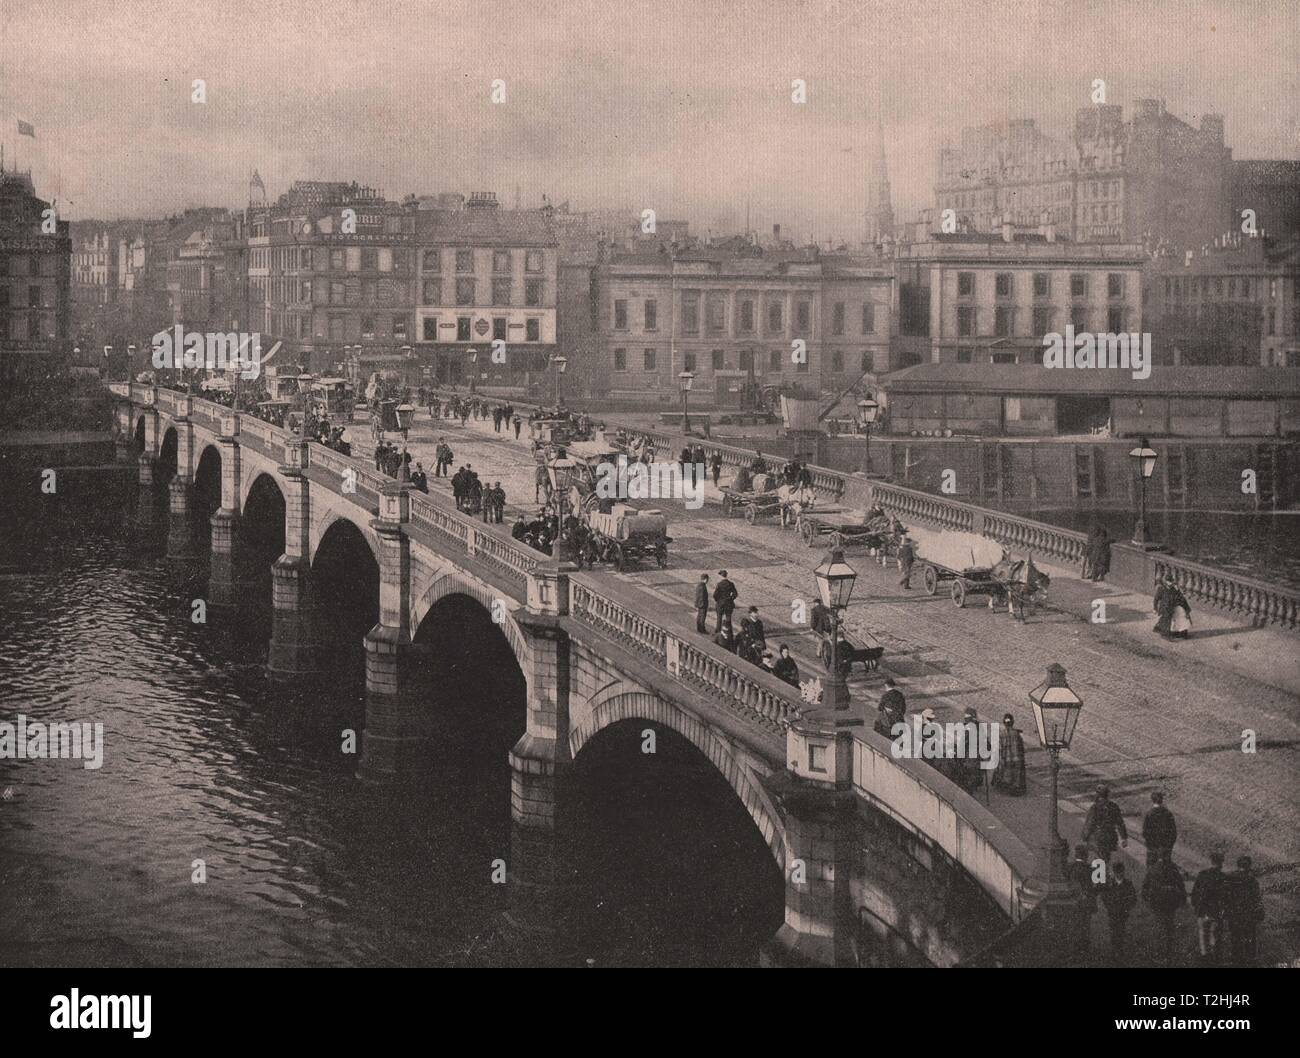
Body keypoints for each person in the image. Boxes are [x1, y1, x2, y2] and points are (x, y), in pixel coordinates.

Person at [1142, 850, 1188, 965]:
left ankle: (1160, 954)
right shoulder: (1173, 868)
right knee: (1169, 927)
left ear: (1158, 857)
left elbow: (1145, 887)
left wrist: (1148, 900)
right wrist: (1183, 899)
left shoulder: (1152, 868)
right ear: (1168, 856)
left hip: (1157, 903)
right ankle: (1168, 953)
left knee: (1159, 927)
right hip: (1170, 903)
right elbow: (1180, 884)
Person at [1222, 855, 1264, 966]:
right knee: (1250, 938)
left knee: (1235, 937)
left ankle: (1237, 960)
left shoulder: (1229, 878)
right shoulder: (1252, 880)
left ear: (1238, 865)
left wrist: (1225, 910)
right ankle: (1250, 961)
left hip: (1234, 913)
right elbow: (1257, 898)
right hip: (1248, 914)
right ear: (1249, 866)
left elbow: (1225, 896)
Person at [1191, 851, 1227, 966]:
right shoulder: (1224, 878)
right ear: (1221, 863)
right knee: (1215, 940)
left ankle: (1204, 961)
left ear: (1211, 861)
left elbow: (1194, 894)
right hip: (1216, 913)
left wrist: (1197, 908)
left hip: (1202, 912)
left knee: (1203, 938)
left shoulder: (1202, 875)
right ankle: (1215, 962)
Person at [1082, 784, 1128, 866]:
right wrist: (1124, 838)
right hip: (1110, 838)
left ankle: (1100, 876)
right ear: (1107, 795)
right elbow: (1120, 823)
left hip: (1097, 838)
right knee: (1106, 859)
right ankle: (1104, 874)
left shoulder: (1094, 807)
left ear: (1097, 795)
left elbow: (1089, 824)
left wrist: (1084, 837)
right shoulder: (1114, 806)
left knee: (1098, 859)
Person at [1101, 861, 1137, 959]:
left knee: (1121, 931)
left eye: (1121, 872)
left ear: (1123, 872)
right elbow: (1104, 897)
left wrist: (1127, 907)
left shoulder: (1128, 884)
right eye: (1117, 872)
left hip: (1123, 913)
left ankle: (1119, 949)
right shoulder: (1109, 884)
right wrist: (1109, 907)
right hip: (1112, 912)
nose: (1119, 874)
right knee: (1113, 931)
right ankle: (1114, 950)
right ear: (1114, 872)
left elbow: (1133, 898)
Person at [1068, 844, 1098, 954]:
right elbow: (1100, 882)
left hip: (1074, 902)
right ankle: (1083, 947)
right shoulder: (1089, 869)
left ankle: (1076, 947)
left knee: (1076, 924)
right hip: (1086, 903)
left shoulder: (1070, 866)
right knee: (1085, 925)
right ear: (1085, 856)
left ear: (1076, 855)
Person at [992, 713, 1027, 795]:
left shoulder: (1001, 734)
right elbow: (1021, 749)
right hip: (1016, 760)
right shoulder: (1017, 734)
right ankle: (1016, 787)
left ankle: (1004, 785)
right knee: (1017, 771)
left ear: (1004, 723)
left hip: (1005, 760)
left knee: (1002, 770)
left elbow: (998, 748)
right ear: (1013, 722)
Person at [1142, 791, 1178, 868]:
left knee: (1151, 867)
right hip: (1166, 846)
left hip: (1153, 846)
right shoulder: (1168, 814)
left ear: (1152, 800)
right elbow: (1173, 832)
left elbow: (1145, 832)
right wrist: (1170, 845)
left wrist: (1149, 844)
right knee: (1166, 866)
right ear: (1162, 800)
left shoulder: (1149, 814)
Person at [713, 570, 737, 634]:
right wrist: (731, 599)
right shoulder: (731, 584)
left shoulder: (719, 584)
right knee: (728, 618)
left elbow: (715, 595)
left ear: (721, 576)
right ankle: (729, 632)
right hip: (729, 604)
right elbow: (735, 594)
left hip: (720, 604)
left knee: (719, 618)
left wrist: (718, 600)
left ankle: (717, 632)